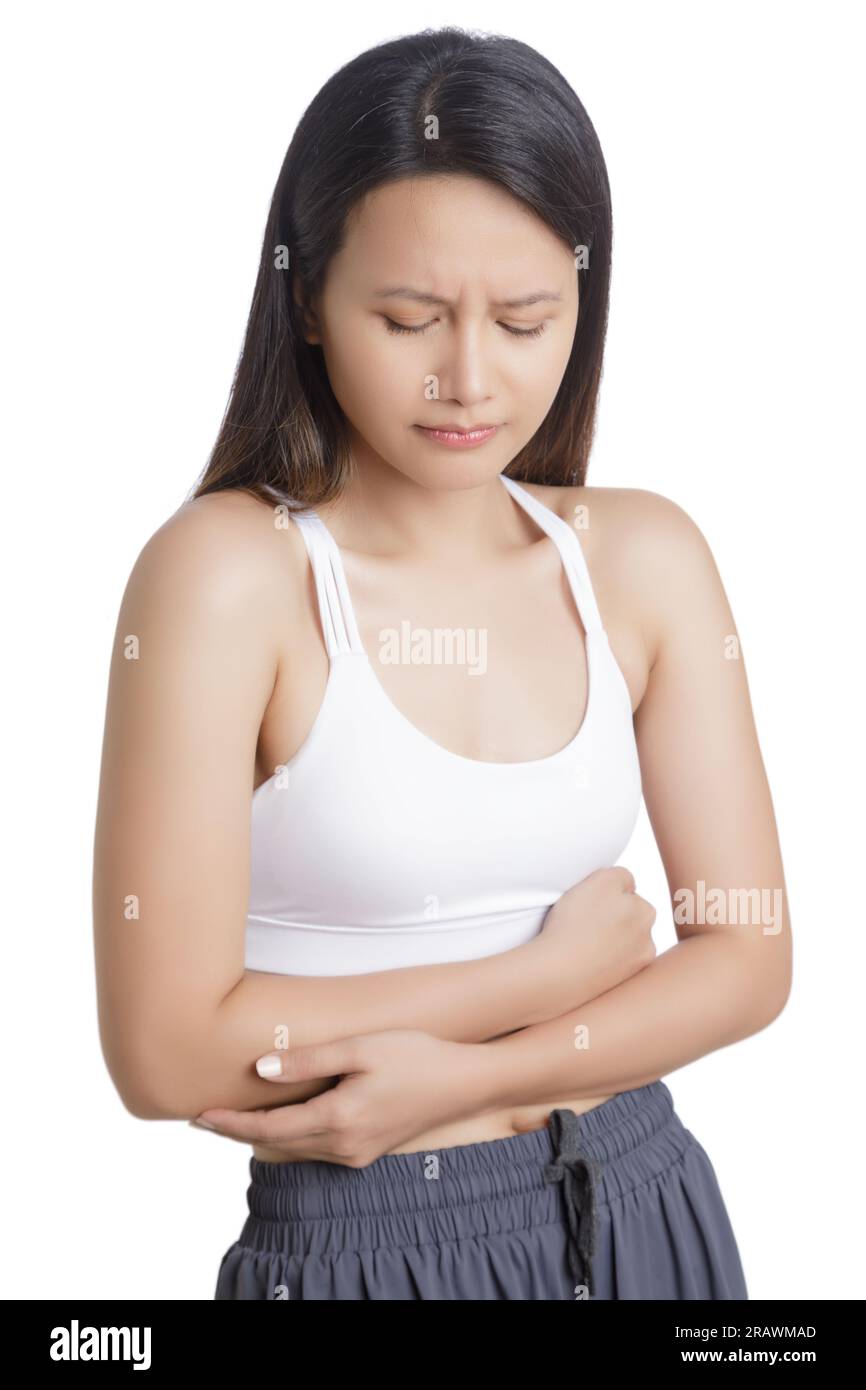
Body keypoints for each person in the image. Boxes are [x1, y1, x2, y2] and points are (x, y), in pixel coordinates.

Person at [93, 26, 791, 1300]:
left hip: (643, 1200)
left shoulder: (638, 557)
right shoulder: (227, 577)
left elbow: (745, 957)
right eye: (408, 317)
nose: (468, 378)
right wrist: (541, 978)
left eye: (528, 320)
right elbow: (165, 1050)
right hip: (369, 1251)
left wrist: (459, 1073)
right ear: (305, 297)